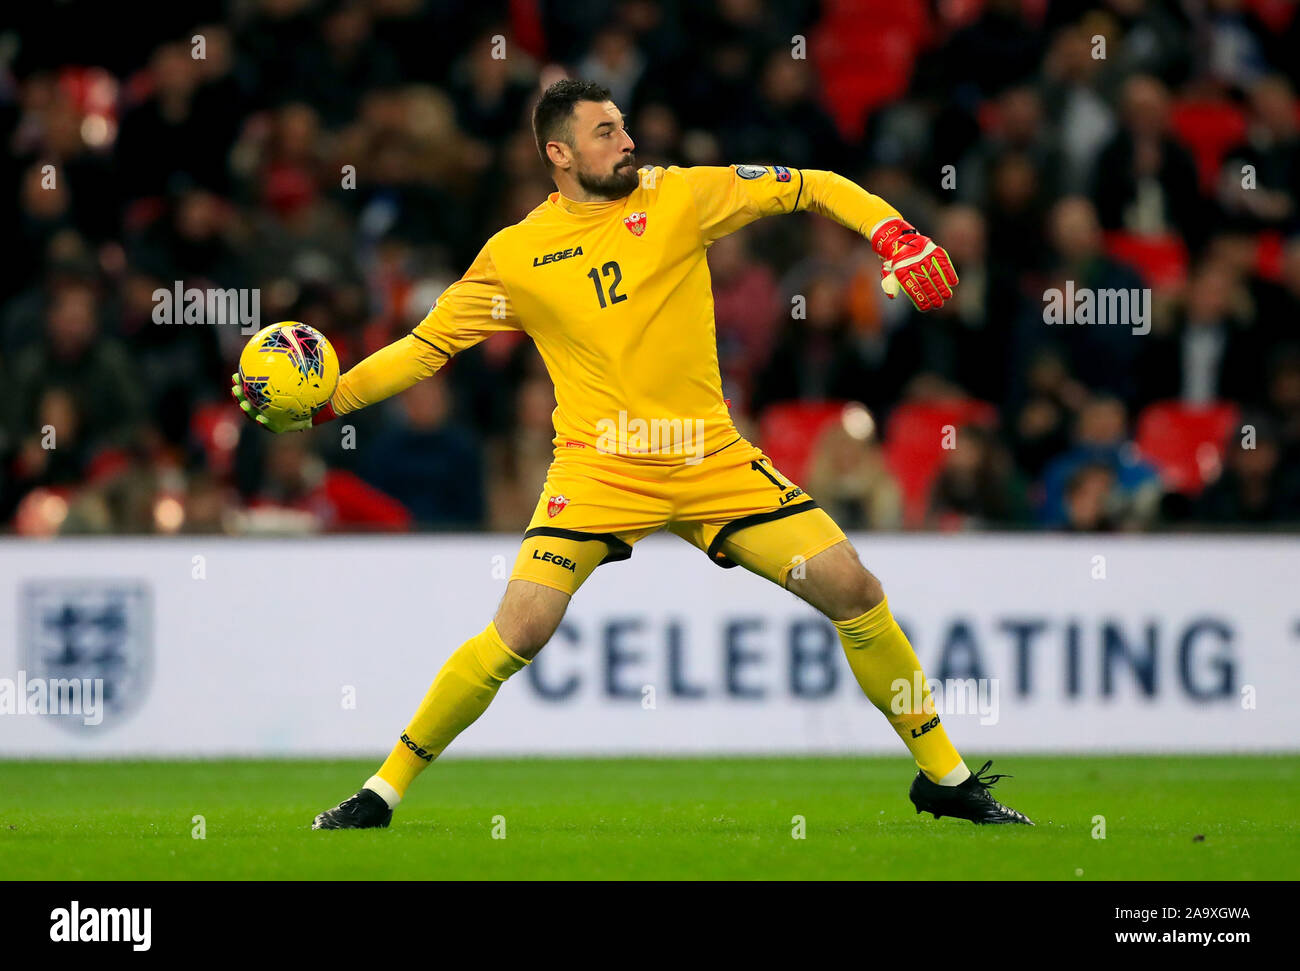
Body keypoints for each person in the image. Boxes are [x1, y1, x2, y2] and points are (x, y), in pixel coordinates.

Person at [233, 79, 1030, 828]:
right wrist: (331, 402)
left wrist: (894, 233)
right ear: (559, 153)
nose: (627, 139)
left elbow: (814, 182)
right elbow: (424, 348)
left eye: (623, 124)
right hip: (600, 466)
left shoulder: (680, 194)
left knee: (853, 587)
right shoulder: (516, 253)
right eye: (605, 131)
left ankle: (946, 779)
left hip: (709, 458)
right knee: (522, 628)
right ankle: (382, 789)